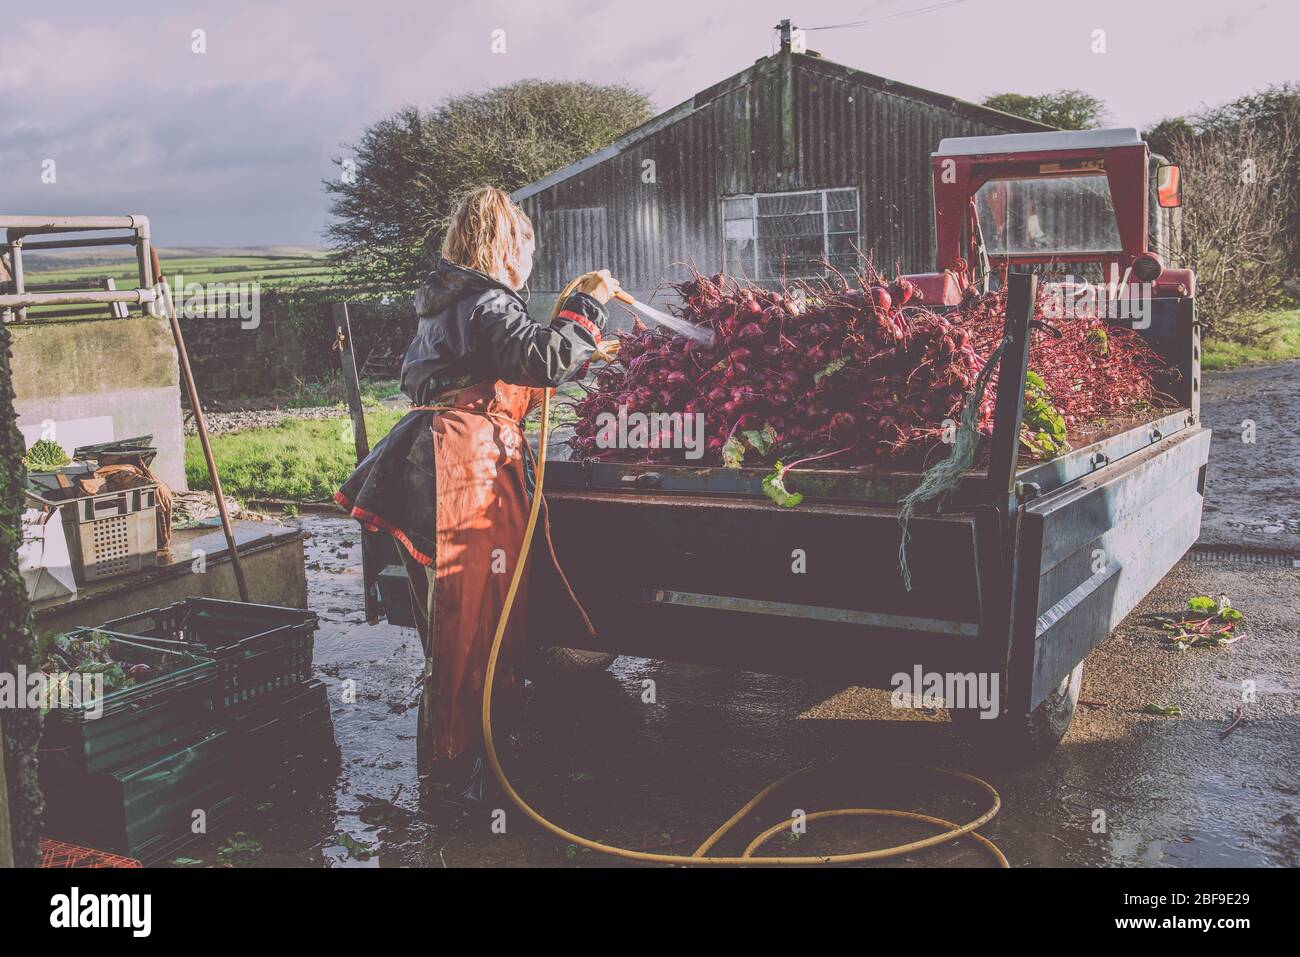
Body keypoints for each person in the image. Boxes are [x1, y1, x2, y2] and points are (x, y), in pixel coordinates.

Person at [335, 186, 619, 806]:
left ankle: (460, 762)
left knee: (451, 628)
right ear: (506, 247)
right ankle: (463, 776)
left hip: (434, 456)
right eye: (525, 252)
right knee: (473, 622)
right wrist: (587, 311)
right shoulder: (489, 300)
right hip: (465, 467)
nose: (529, 266)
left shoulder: (447, 303)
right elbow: (542, 359)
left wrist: (579, 347)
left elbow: (496, 372)